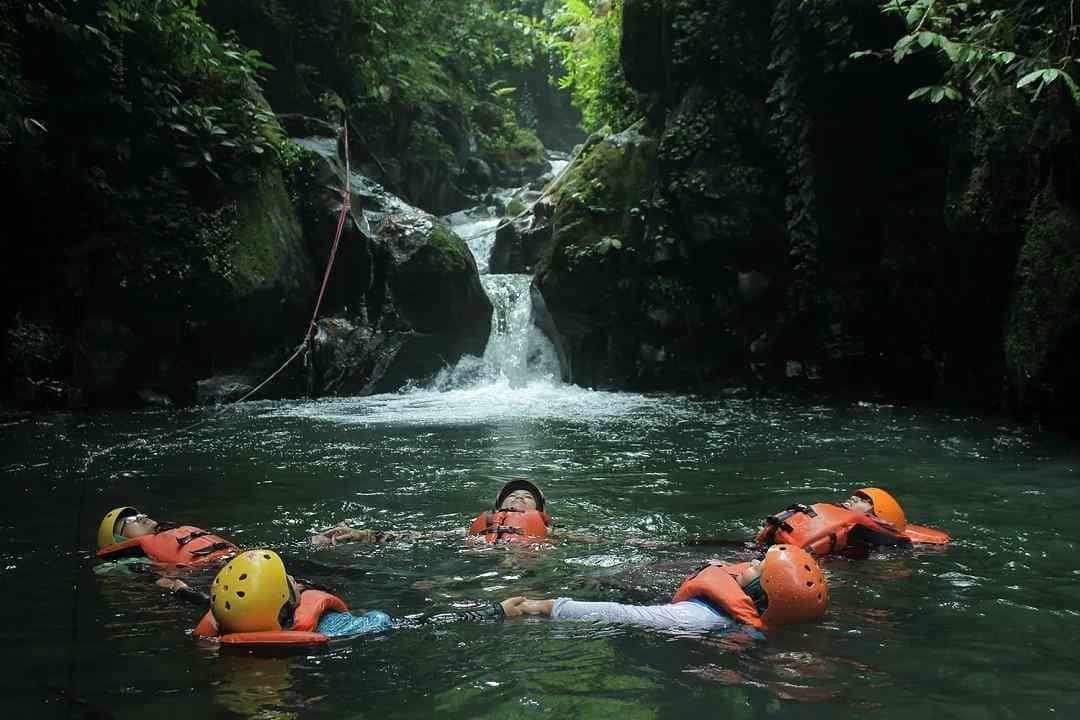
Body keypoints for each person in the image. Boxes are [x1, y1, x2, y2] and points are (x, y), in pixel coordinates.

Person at [159, 549, 519, 645]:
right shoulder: (337, 627)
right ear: (286, 604)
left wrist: (184, 592)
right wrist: (493, 609)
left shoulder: (227, 625)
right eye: (292, 584)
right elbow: (418, 623)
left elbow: (222, 606)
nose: (299, 583)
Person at [500, 544, 828, 634]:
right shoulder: (763, 611)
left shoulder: (696, 618)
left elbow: (620, 614)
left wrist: (541, 607)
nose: (746, 565)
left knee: (603, 583)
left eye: (757, 566)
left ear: (760, 589)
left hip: (666, 627)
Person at [311, 478, 559, 546]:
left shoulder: (551, 534)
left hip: (527, 570)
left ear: (539, 511)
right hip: (480, 564)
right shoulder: (473, 530)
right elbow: (420, 536)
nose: (518, 498)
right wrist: (361, 535)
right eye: (513, 495)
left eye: (527, 497)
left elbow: (596, 542)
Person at [754, 487, 949, 556]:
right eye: (857, 496)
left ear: (877, 517)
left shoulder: (878, 539)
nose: (855, 498)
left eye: (865, 501)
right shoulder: (831, 516)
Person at [96, 506, 237, 567]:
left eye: (139, 515)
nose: (141, 517)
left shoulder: (181, 533)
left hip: (231, 560)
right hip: (206, 574)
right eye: (129, 521)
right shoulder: (130, 563)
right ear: (120, 541)